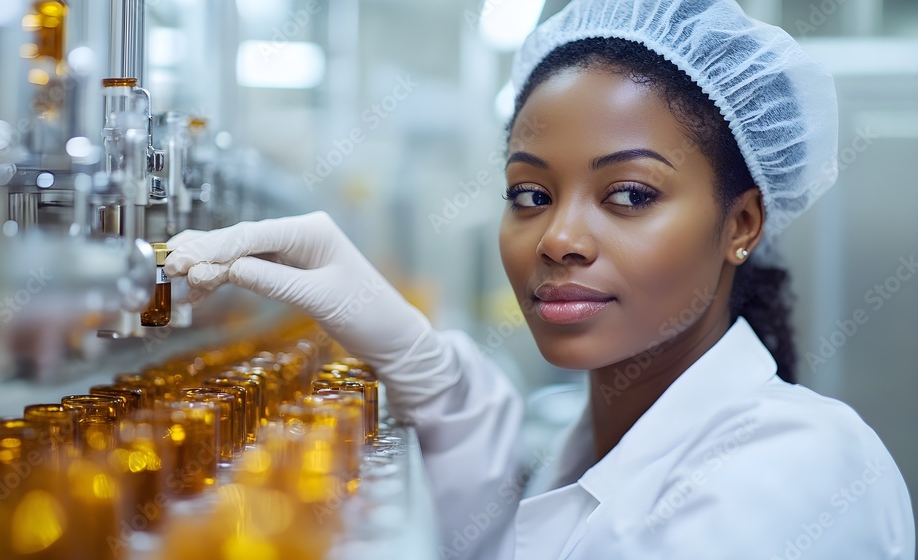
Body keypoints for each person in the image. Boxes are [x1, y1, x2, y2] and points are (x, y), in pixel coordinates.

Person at [164, 0, 915, 558]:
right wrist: (423, 369)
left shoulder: (797, 471)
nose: (557, 238)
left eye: (630, 195)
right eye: (531, 195)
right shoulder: (594, 439)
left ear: (742, 224)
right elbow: (493, 539)